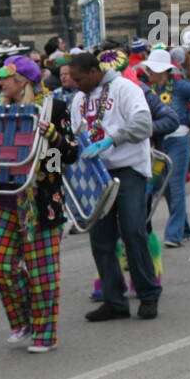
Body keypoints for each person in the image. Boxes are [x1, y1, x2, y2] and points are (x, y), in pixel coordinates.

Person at [0, 56, 77, 352]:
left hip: (38, 199)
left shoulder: (53, 107)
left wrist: (51, 137)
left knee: (42, 269)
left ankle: (44, 332)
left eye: (6, 78)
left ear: (22, 82)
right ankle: (25, 319)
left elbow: (70, 153)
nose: (0, 82)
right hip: (0, 198)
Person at [69, 49, 162, 321]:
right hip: (97, 176)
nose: (74, 84)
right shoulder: (79, 99)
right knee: (101, 238)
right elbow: (77, 134)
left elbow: (143, 124)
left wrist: (113, 139)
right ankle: (114, 301)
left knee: (133, 230)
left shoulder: (125, 88)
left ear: (94, 73)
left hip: (129, 169)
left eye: (78, 78)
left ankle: (148, 294)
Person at [140, 47, 190, 247]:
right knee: (164, 188)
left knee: (176, 185)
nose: (150, 73)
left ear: (164, 70)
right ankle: (185, 228)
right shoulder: (150, 89)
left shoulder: (180, 86)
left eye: (154, 70)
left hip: (178, 140)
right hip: (160, 142)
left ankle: (174, 234)